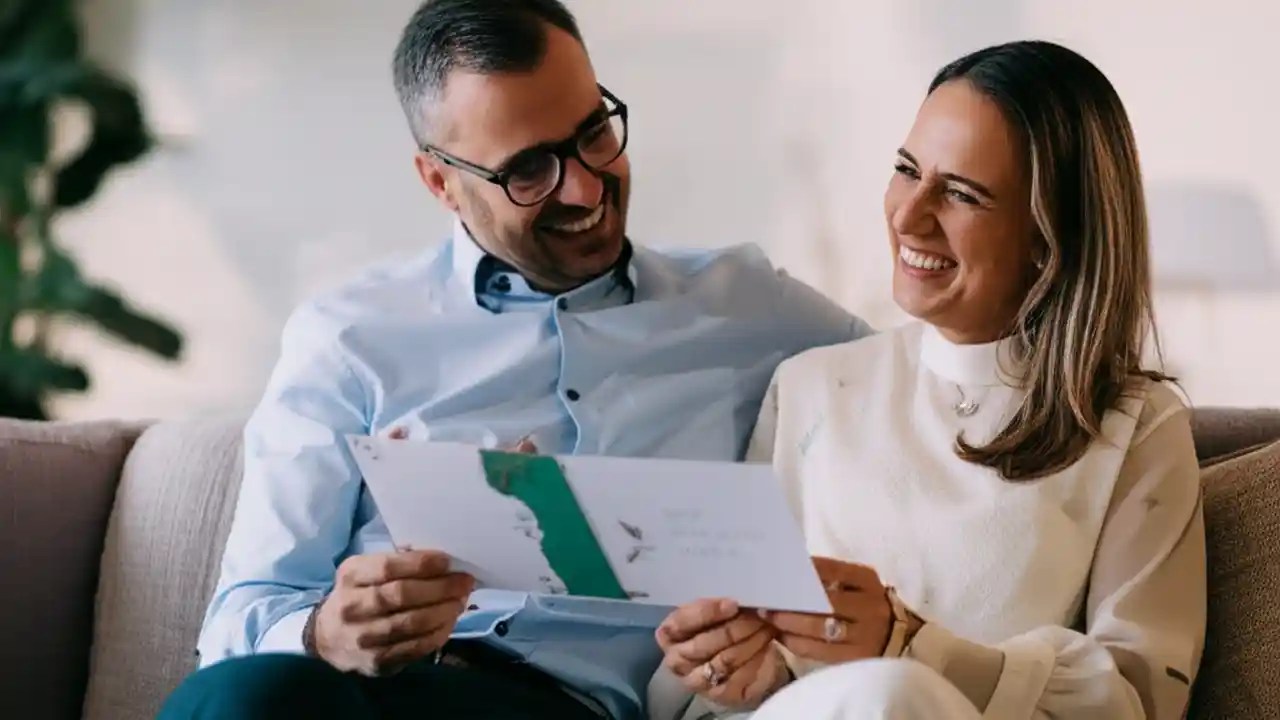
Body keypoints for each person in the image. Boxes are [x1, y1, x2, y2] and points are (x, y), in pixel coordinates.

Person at [157, 1, 870, 719]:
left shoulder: (750, 310)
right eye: (529, 171)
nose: (586, 188)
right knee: (246, 694)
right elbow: (241, 617)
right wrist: (326, 633)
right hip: (363, 698)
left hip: (576, 707)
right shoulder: (348, 338)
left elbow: (929, 377)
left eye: (595, 133)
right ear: (440, 183)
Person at [652, 40, 1206, 719]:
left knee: (895, 692)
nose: (909, 216)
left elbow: (1141, 698)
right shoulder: (809, 388)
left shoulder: (1137, 428)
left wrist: (914, 648)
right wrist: (749, 674)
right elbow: (686, 691)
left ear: (1050, 235)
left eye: (962, 194)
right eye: (906, 171)